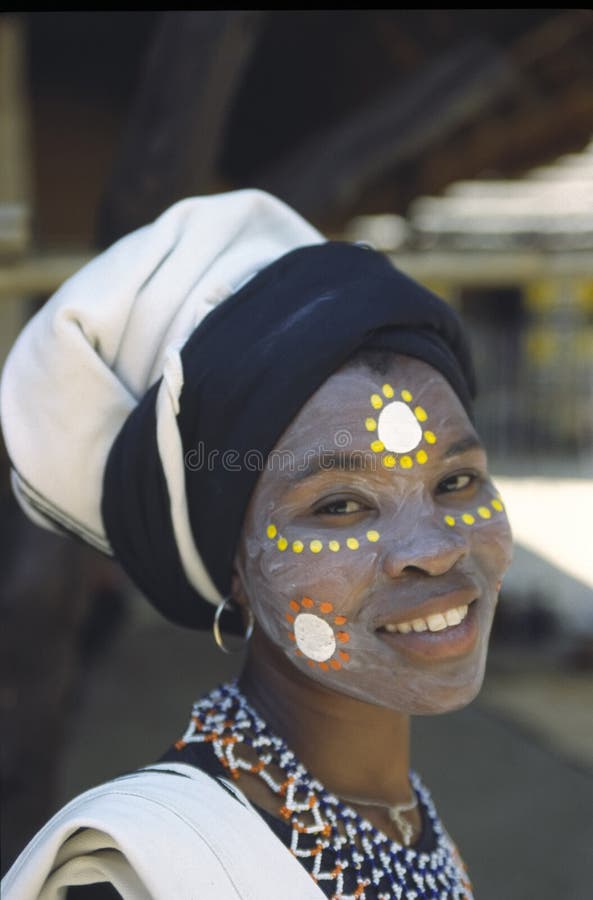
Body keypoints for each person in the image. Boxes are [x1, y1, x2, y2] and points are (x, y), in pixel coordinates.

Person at [0, 190, 513, 899]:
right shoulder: (140, 873)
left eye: (456, 481)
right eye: (339, 505)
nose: (433, 546)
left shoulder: (400, 821)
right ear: (232, 567)